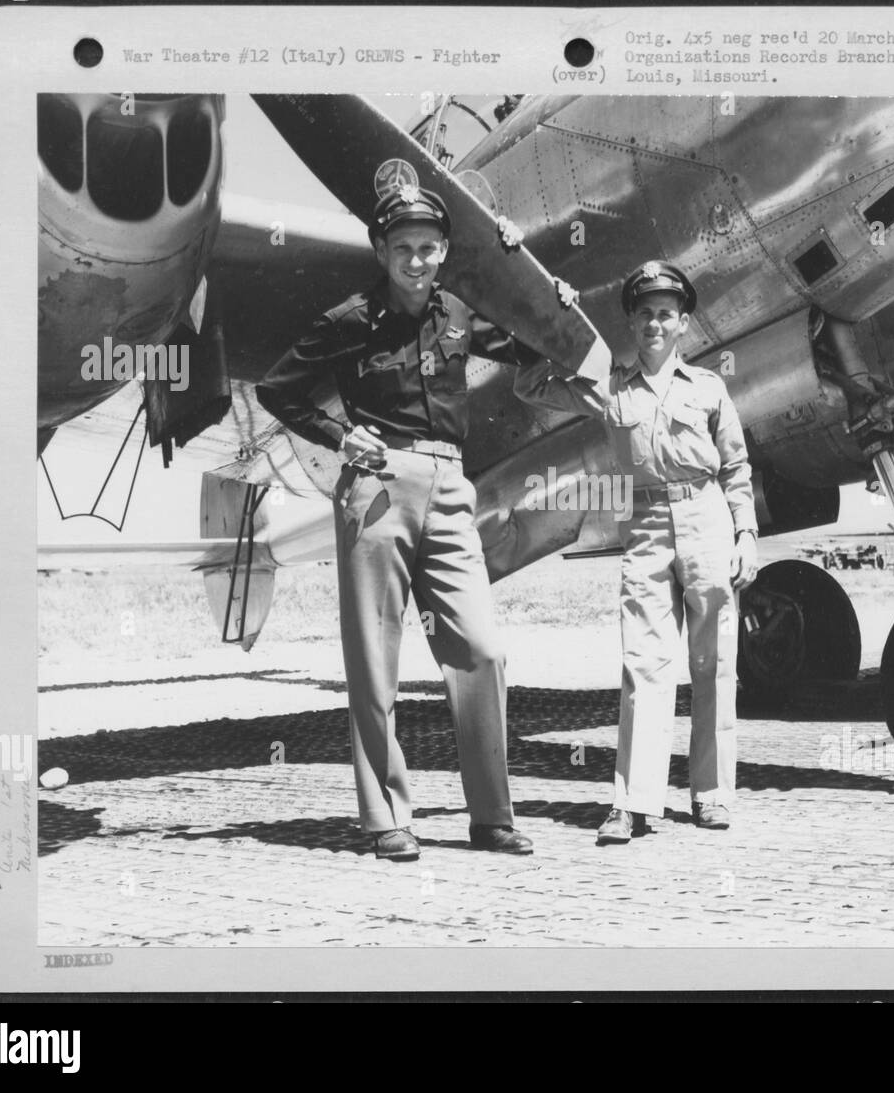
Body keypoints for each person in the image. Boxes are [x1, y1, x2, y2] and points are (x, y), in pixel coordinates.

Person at [256, 181, 533, 861]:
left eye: (427, 248)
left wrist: (517, 259)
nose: (415, 260)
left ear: (443, 252)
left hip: (451, 485)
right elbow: (276, 388)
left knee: (482, 650)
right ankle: (385, 818)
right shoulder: (352, 318)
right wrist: (338, 433)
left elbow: (531, 342)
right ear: (382, 250)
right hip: (377, 488)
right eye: (402, 248)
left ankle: (491, 815)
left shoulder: (462, 315)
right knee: (375, 659)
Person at [514, 260, 758, 844]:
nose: (654, 323)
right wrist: (554, 317)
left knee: (712, 663)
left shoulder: (708, 389)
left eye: (665, 314)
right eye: (644, 313)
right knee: (644, 665)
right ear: (631, 322)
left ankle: (712, 794)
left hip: (707, 520)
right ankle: (633, 802)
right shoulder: (611, 388)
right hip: (645, 523)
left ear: (683, 324)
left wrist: (747, 534)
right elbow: (530, 385)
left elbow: (736, 467)